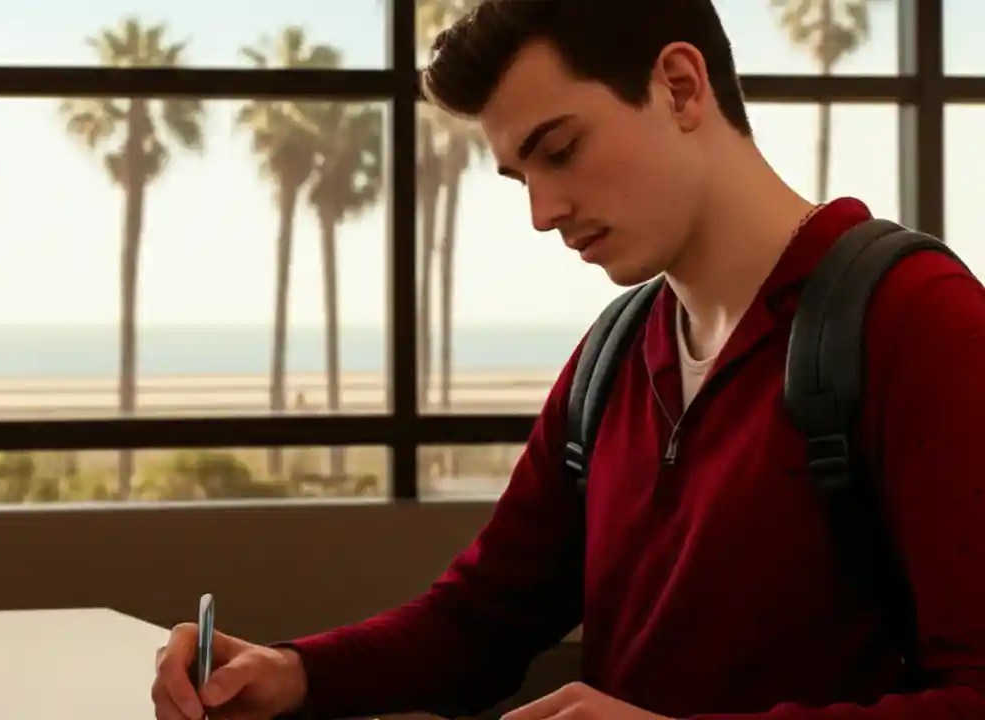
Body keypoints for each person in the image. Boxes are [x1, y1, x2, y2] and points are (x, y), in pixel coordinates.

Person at [151, 1, 985, 718]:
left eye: (560, 151)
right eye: (521, 178)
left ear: (680, 86)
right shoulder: (614, 356)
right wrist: (292, 673)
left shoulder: (920, 320)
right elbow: (481, 619)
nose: (543, 213)